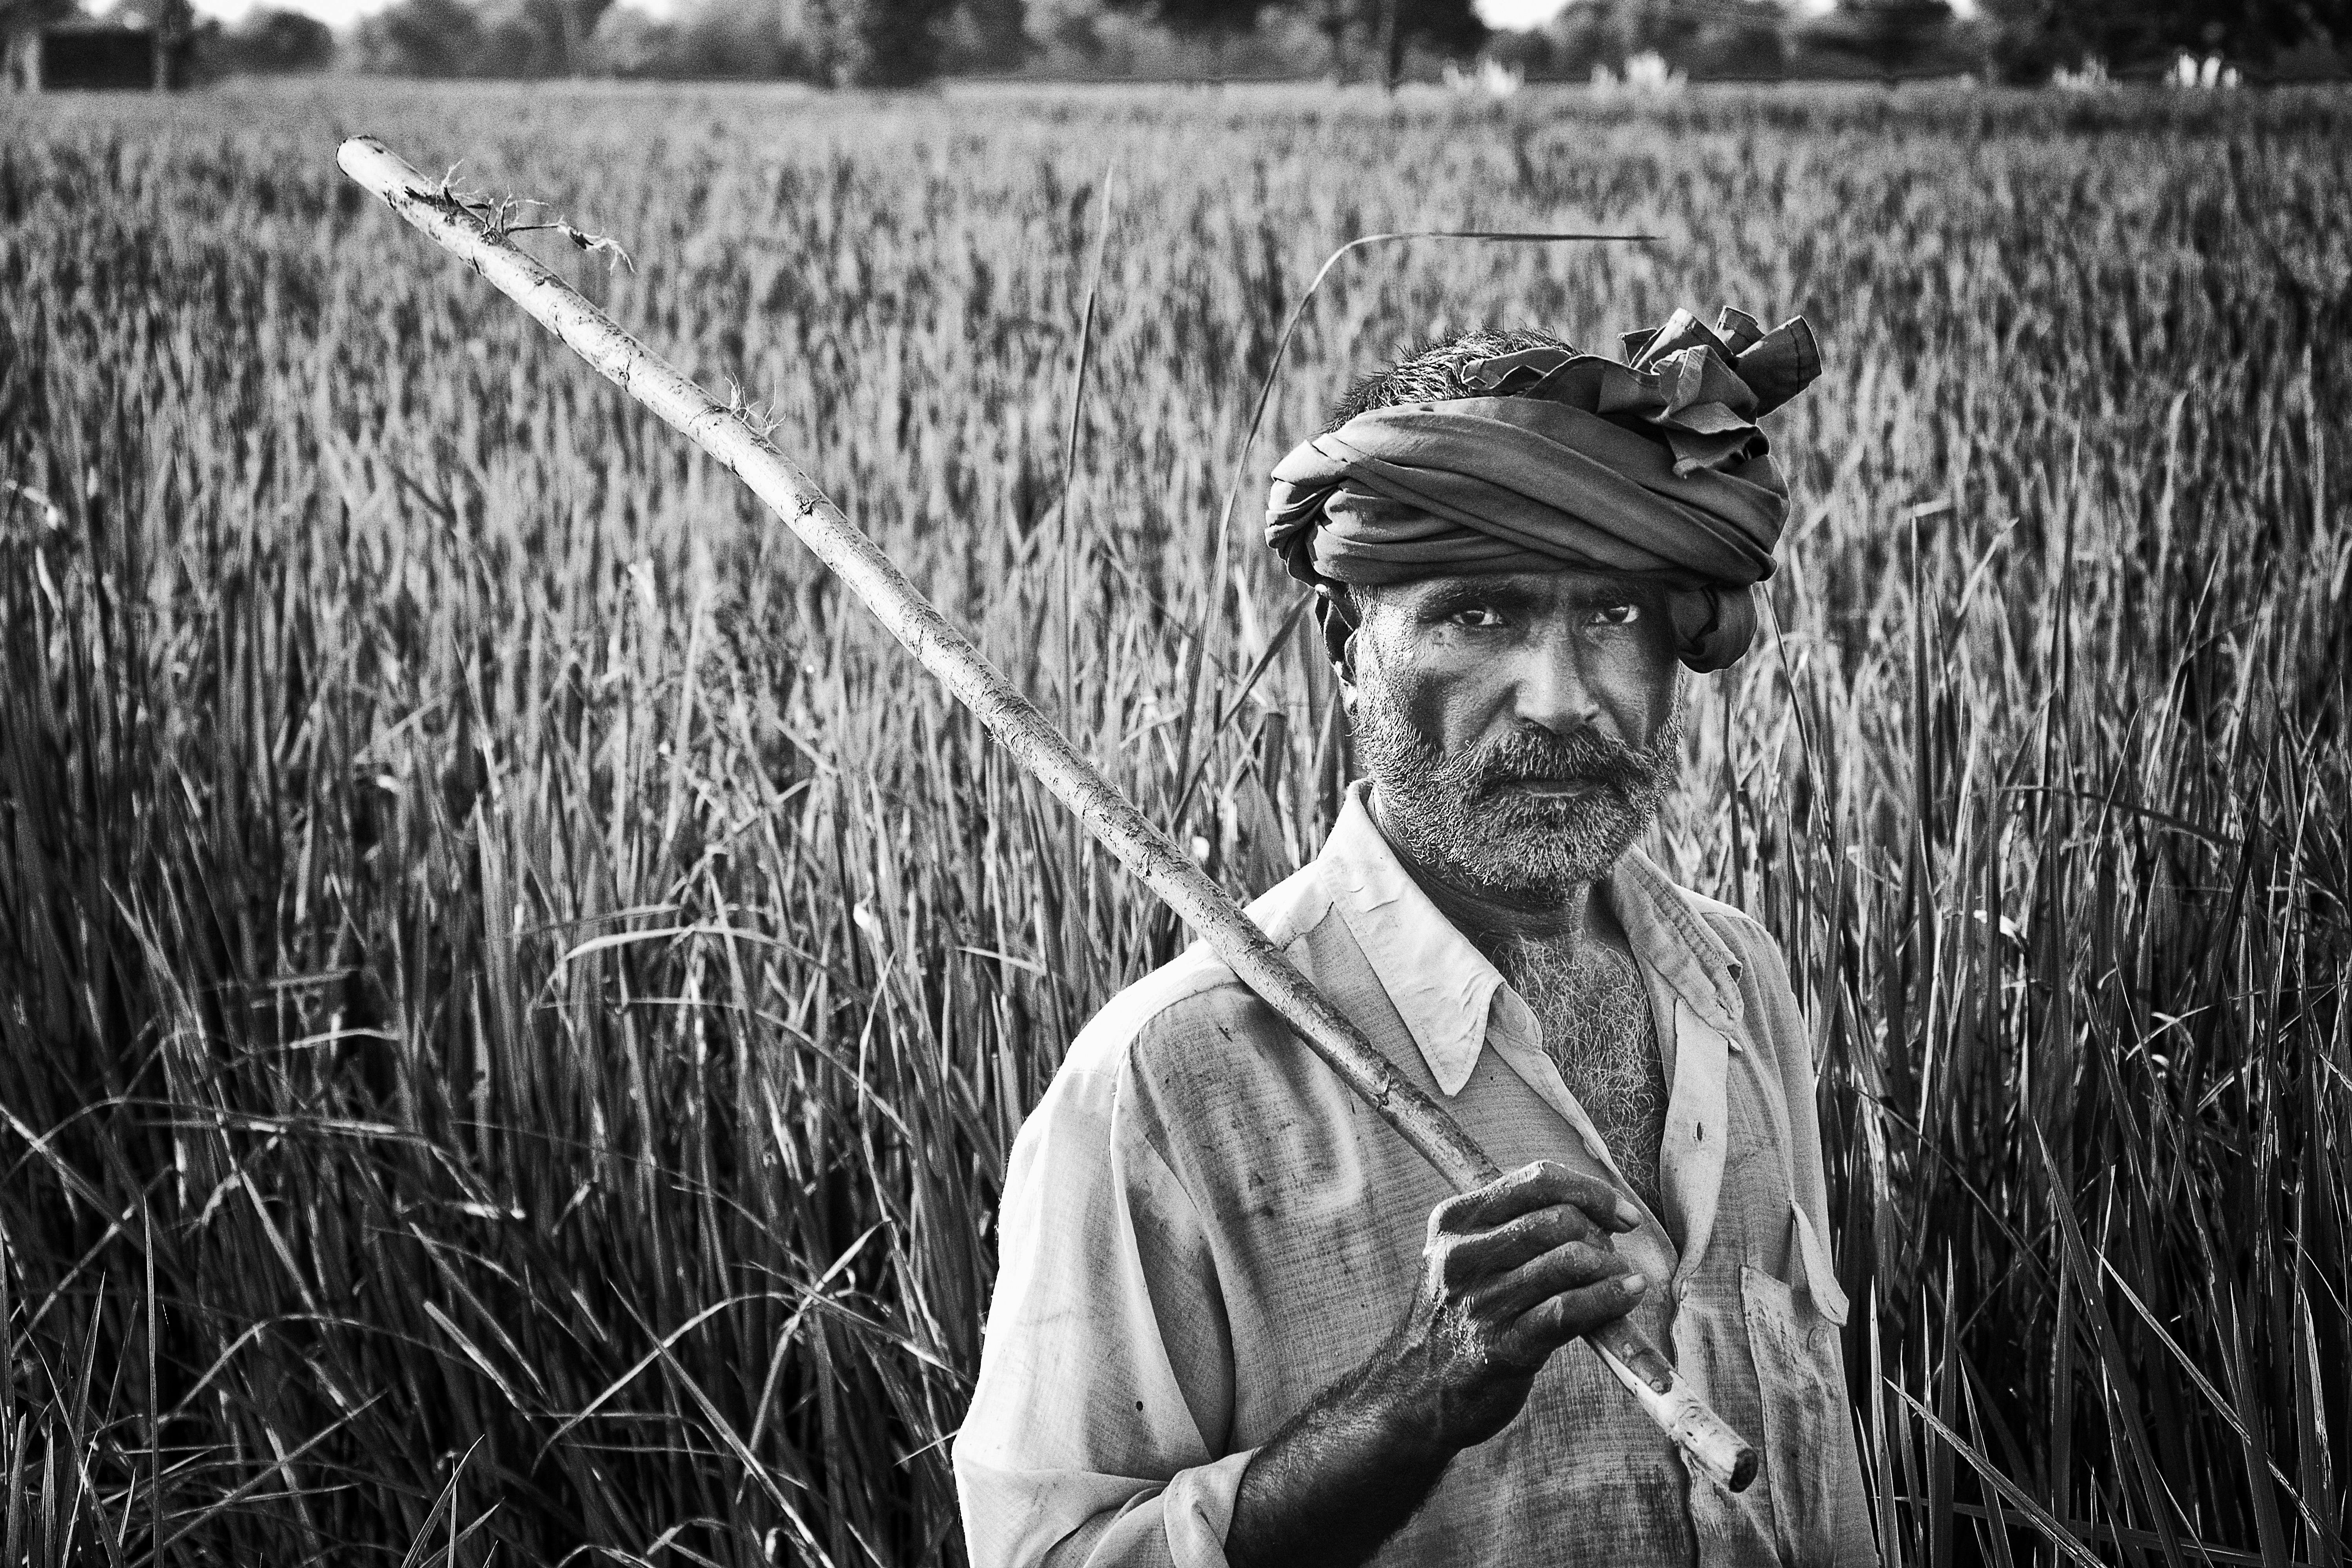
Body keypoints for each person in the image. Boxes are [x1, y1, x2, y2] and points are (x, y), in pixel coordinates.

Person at [955, 310, 1878, 1567]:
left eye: (1613, 615)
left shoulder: (1738, 981)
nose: (1559, 699)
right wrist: (1411, 1404)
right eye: (1480, 618)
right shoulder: (1171, 1083)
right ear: (1348, 649)